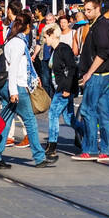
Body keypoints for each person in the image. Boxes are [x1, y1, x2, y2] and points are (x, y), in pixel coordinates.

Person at [0, 12, 54, 170]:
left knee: (6, 122)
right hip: (16, 86)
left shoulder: (11, 40)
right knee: (30, 120)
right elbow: (14, 67)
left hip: (7, 86)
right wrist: (14, 91)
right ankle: (39, 157)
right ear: (27, 26)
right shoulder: (18, 43)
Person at [73, 0, 109, 162]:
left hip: (98, 75)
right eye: (84, 10)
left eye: (89, 10)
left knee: (87, 110)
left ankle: (90, 148)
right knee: (103, 113)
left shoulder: (100, 26)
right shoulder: (98, 24)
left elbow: (103, 52)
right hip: (105, 74)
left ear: (98, 9)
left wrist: (89, 73)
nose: (86, 13)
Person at [46, 23, 78, 155]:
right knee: (69, 118)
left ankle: (52, 146)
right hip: (59, 87)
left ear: (53, 35)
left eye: (45, 37)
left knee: (53, 114)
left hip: (64, 88)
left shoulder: (63, 49)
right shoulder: (54, 50)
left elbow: (72, 68)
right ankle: (86, 135)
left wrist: (67, 89)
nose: (44, 40)